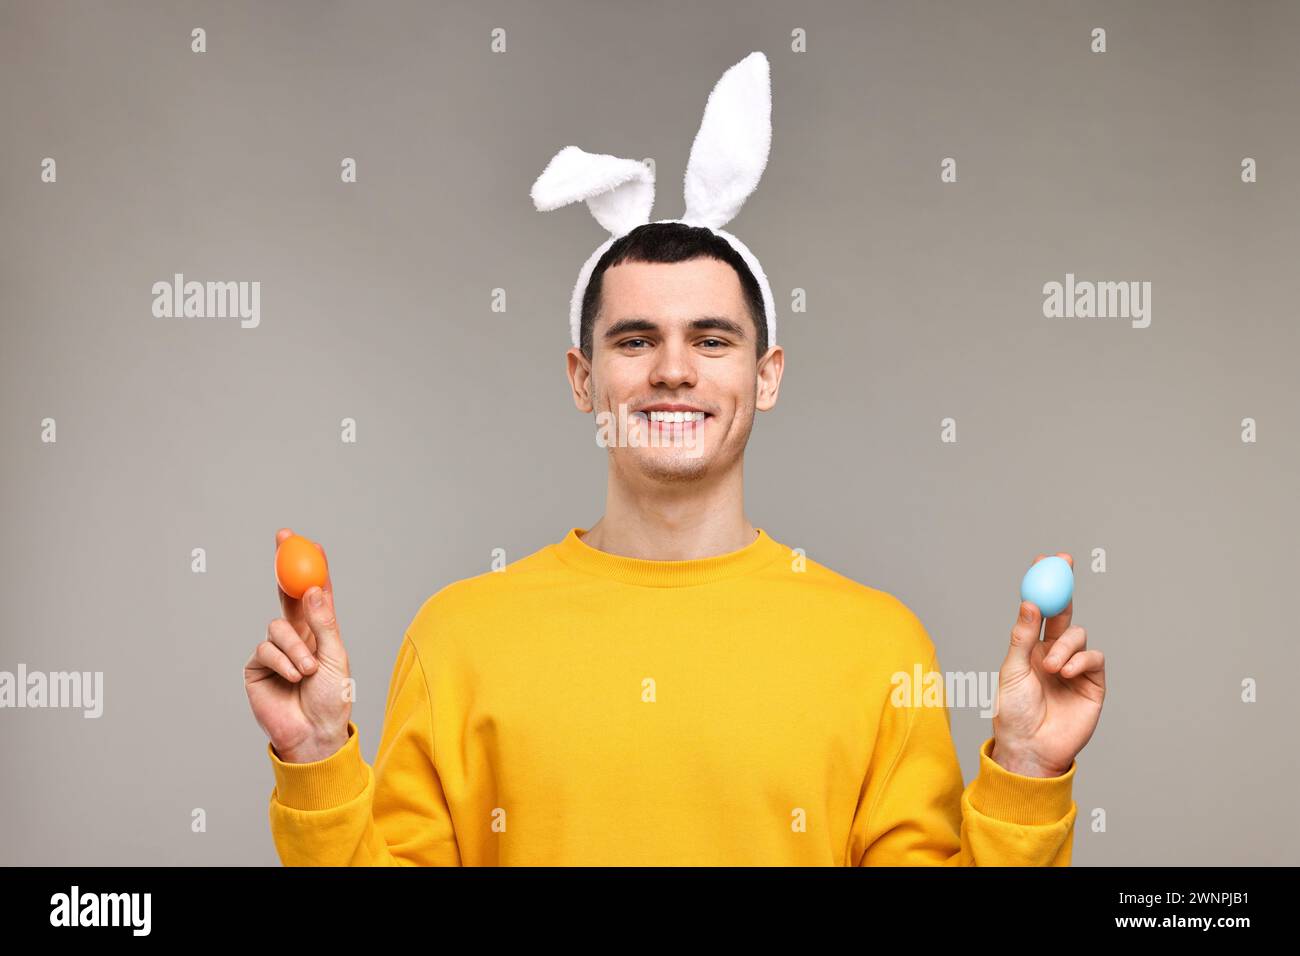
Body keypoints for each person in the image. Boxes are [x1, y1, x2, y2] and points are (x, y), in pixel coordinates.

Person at [242, 220, 1106, 866]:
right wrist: (317, 760)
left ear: (765, 376)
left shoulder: (882, 646)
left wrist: (1024, 773)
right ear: (585, 381)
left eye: (712, 339)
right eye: (635, 340)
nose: (673, 371)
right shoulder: (456, 637)